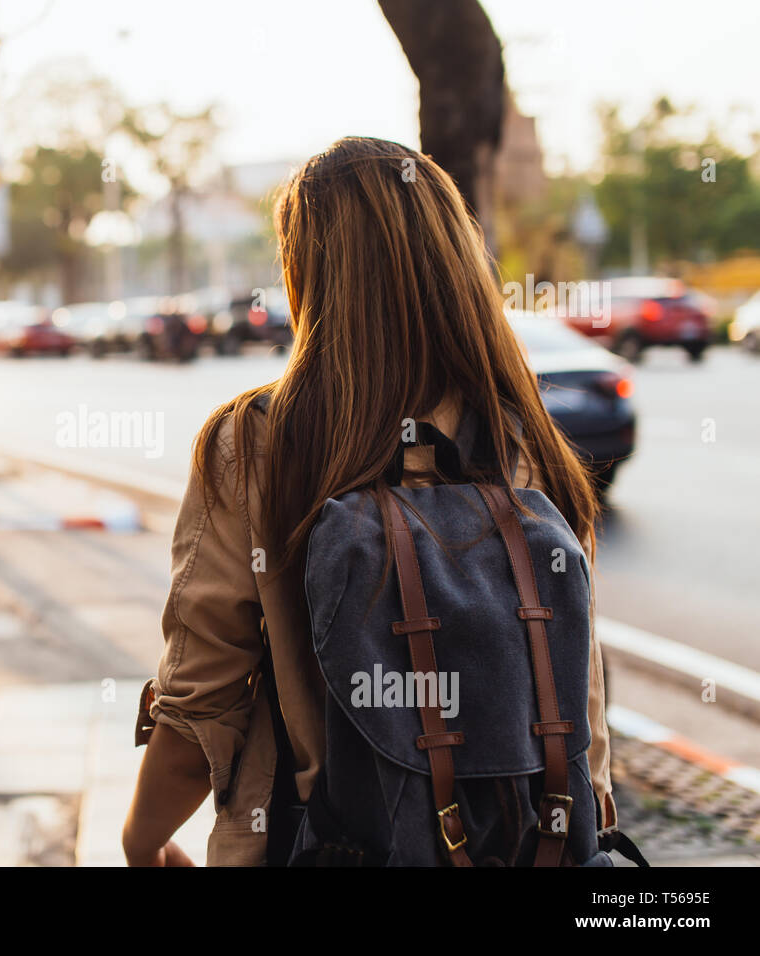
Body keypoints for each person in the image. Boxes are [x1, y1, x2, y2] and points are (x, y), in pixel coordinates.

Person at [121, 137, 616, 867]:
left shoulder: (258, 443)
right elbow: (581, 700)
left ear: (309, 274)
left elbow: (203, 702)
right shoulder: (523, 436)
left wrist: (142, 841)